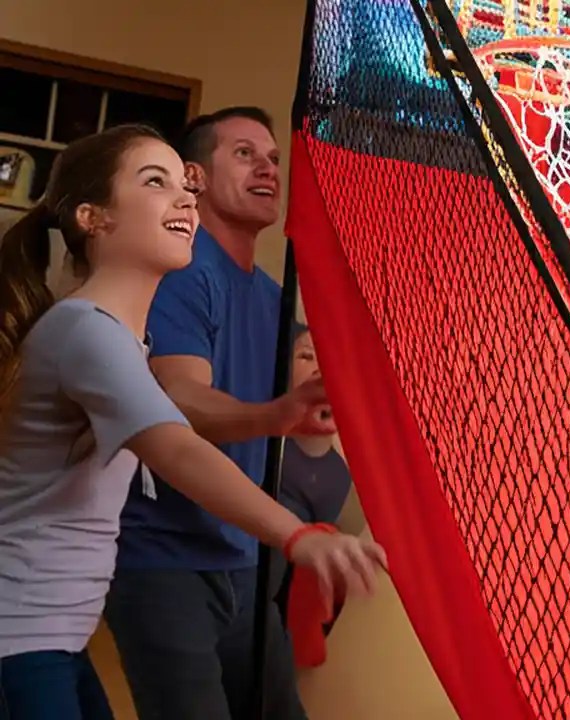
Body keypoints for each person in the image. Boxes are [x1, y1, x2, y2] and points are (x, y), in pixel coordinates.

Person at [0, 125, 386, 720]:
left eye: (184, 185)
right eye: (156, 182)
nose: (184, 198)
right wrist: (297, 533)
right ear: (92, 217)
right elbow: (176, 447)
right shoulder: (87, 332)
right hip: (20, 643)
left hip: (56, 640)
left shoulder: (122, 337)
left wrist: (279, 415)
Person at [102, 108, 337, 720]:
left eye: (273, 158)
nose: (267, 167)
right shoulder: (183, 270)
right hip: (166, 561)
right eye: (244, 153)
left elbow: (302, 395)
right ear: (196, 177)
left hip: (244, 559)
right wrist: (275, 414)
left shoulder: (271, 296)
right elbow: (181, 400)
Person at [271, 325, 356, 667]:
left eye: (329, 359)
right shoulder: (259, 433)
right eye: (306, 356)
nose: (320, 367)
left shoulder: (337, 476)